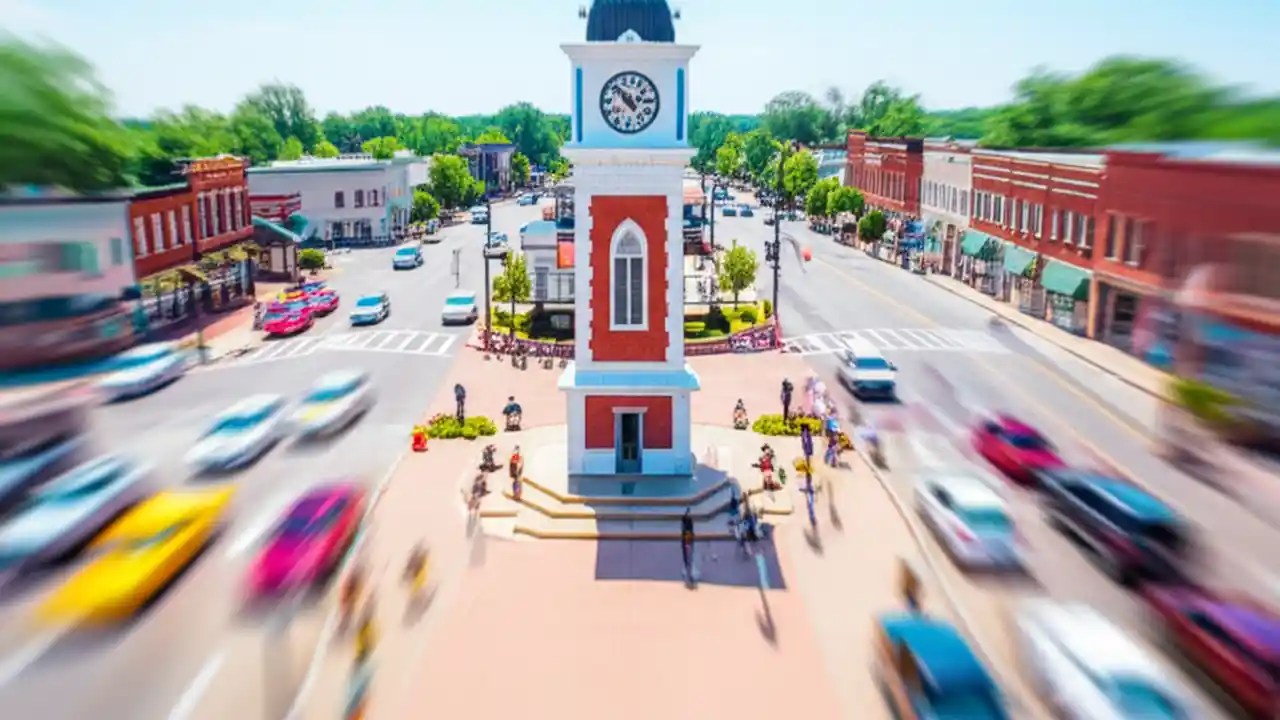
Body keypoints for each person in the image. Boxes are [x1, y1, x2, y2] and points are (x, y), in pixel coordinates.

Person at [680, 507, 695, 579]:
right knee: (686, 555)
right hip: (686, 538)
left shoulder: (689, 520)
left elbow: (690, 530)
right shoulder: (685, 520)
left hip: (688, 538)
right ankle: (687, 570)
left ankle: (688, 571)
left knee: (688, 555)